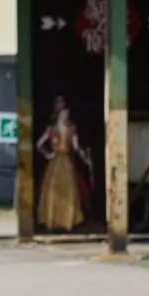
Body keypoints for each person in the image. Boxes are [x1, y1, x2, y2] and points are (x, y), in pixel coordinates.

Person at [36, 96, 91, 232]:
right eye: (63, 112)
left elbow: (76, 146)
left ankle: (67, 222)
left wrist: (83, 156)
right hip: (55, 162)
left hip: (66, 162)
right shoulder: (51, 129)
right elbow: (38, 144)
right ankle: (51, 221)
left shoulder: (72, 128)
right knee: (53, 190)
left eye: (66, 111)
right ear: (59, 113)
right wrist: (47, 154)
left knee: (68, 191)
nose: (66, 114)